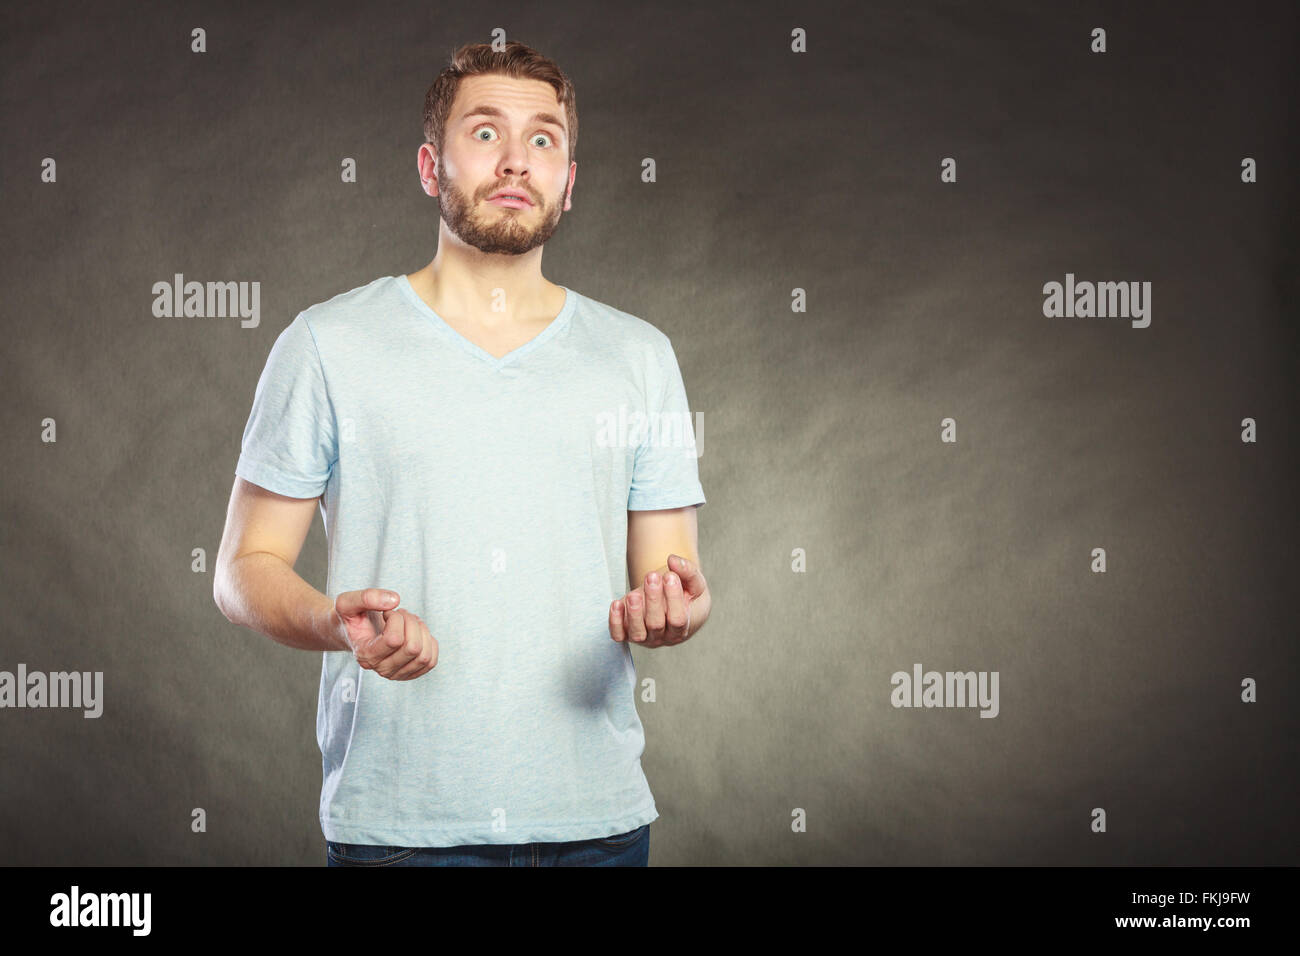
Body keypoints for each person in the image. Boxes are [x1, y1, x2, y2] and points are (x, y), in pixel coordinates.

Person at [212, 39, 712, 867]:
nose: (517, 159)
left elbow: (676, 582)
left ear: (570, 181)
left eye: (544, 139)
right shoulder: (327, 344)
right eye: (485, 133)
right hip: (400, 831)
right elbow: (242, 568)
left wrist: (675, 609)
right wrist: (335, 624)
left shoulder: (642, 356)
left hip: (598, 825)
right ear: (428, 166)